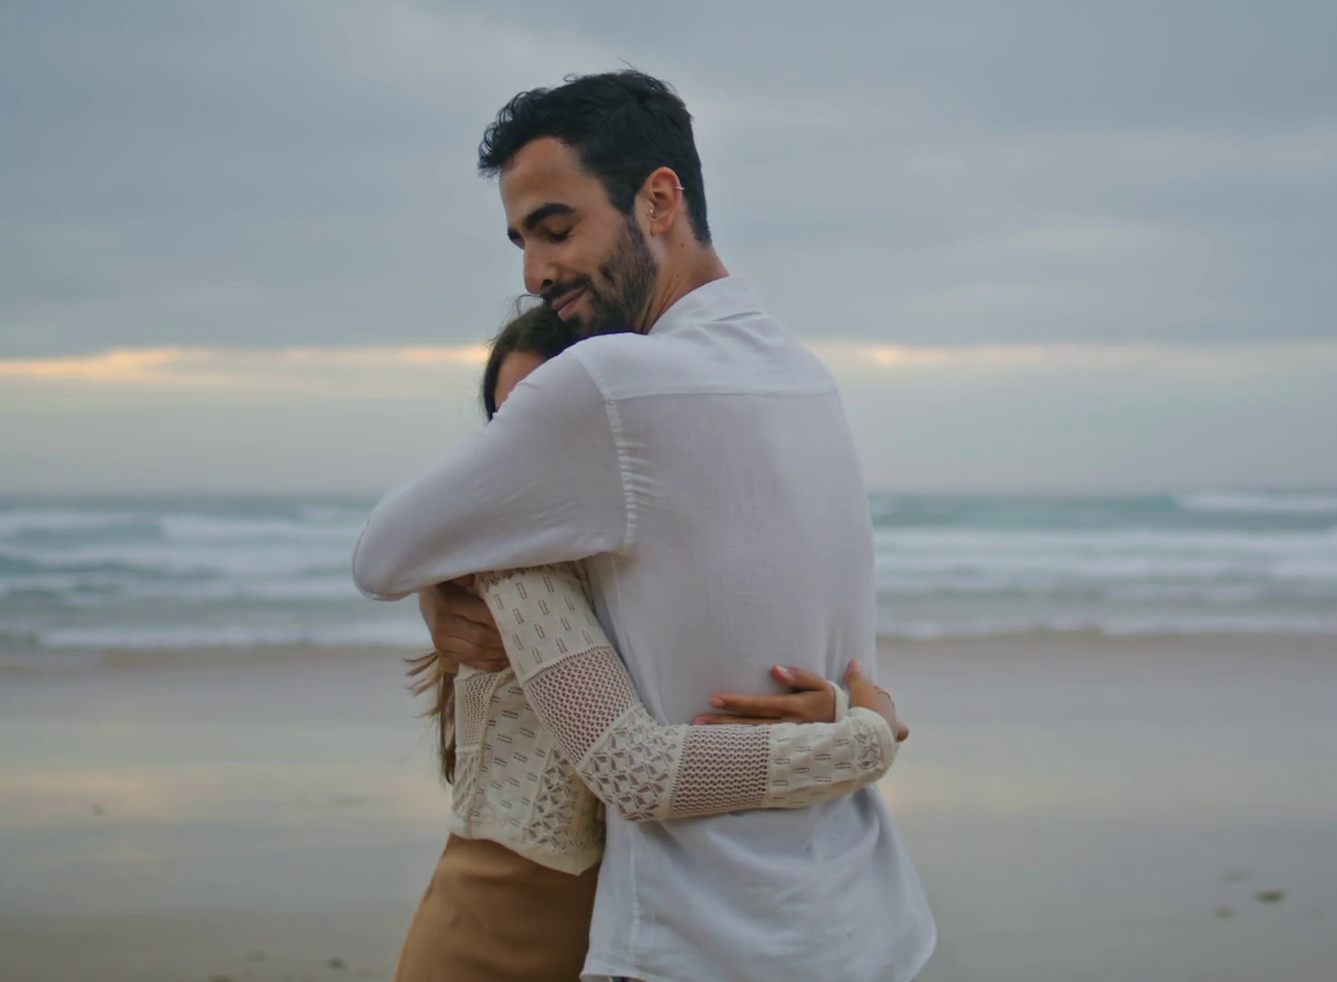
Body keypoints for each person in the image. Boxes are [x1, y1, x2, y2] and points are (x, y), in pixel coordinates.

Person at [353, 70, 937, 982]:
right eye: (520, 241)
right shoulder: (808, 382)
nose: (535, 274)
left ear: (657, 199)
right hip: (865, 930)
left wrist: (453, 571)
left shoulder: (611, 383)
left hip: (699, 942)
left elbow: (383, 551)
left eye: (556, 228)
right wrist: (861, 730)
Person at [394, 303, 909, 982]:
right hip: (498, 935)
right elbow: (637, 768)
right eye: (510, 428)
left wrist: (826, 713)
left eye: (551, 423)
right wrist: (863, 740)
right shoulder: (513, 559)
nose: (530, 453)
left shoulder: (668, 559)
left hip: (632, 934)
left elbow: (709, 715)